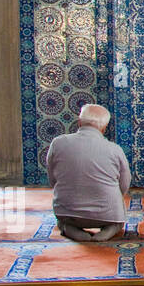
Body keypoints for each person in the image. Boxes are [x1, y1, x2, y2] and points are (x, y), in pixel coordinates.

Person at [45, 104, 131, 242]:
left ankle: (71, 230)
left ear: (79, 122)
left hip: (67, 213)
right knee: (117, 223)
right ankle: (107, 232)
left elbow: (52, 178)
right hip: (108, 214)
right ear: (104, 128)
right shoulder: (115, 149)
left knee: (62, 223)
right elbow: (124, 184)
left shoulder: (58, 143)